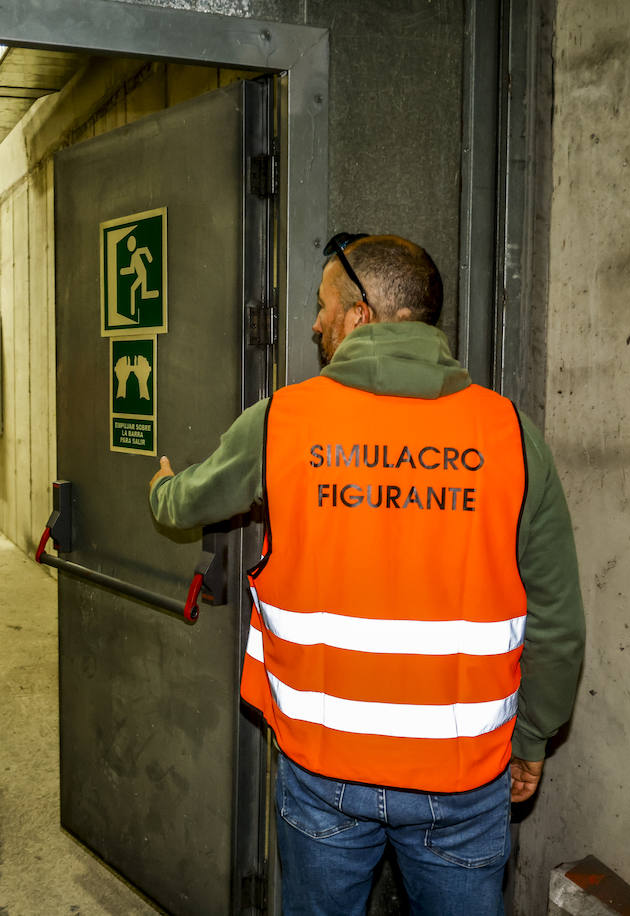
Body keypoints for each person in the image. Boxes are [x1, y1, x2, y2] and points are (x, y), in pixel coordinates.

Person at [146, 234, 584, 915]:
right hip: (463, 777)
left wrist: (160, 487)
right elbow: (557, 618)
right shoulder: (510, 433)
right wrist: (532, 737)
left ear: (358, 316)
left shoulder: (282, 423)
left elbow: (186, 501)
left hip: (325, 770)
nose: (313, 323)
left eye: (323, 306)